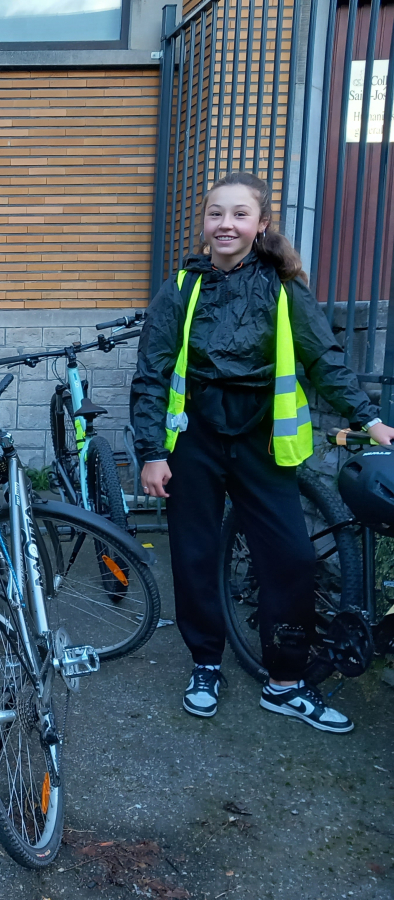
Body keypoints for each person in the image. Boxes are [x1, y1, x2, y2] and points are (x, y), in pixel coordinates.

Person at [131, 171, 394, 733]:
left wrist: (370, 419)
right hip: (194, 443)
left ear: (261, 225)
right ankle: (205, 664)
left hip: (263, 442)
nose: (226, 224)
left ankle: (285, 681)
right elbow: (151, 372)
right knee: (195, 557)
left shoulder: (283, 285)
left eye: (239, 214)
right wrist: (153, 451)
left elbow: (324, 358)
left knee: (291, 559)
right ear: (204, 223)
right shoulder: (181, 286)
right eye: (216, 213)